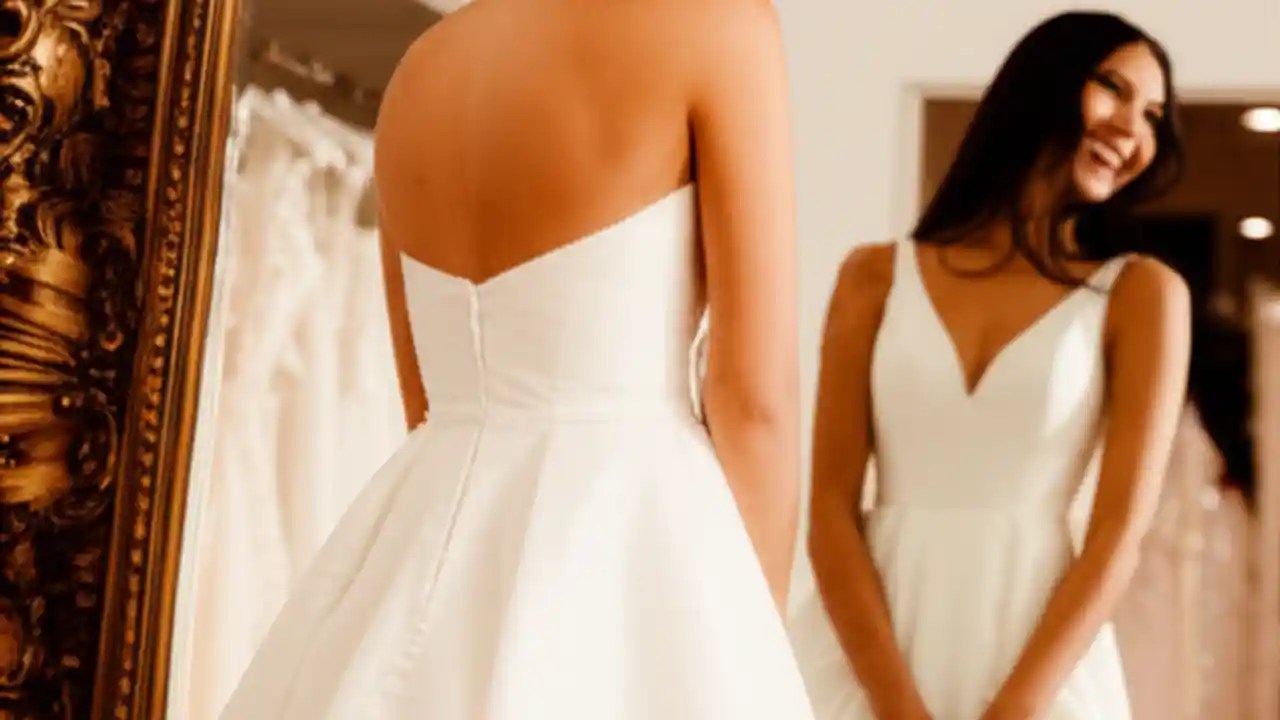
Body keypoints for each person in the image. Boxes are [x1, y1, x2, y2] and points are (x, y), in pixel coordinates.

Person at [220, 0, 815, 717]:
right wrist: (747, 645)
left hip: (422, 533)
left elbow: (425, 404)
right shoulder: (717, 25)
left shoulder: (425, 67)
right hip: (632, 542)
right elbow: (754, 403)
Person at [790, 11, 1190, 720]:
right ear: (1041, 84)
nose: (1134, 129)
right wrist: (894, 704)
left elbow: (1116, 536)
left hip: (1039, 664)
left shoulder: (1140, 294)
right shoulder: (873, 277)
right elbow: (828, 510)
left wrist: (1018, 708)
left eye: (1154, 115)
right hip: (867, 654)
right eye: (1113, 88)